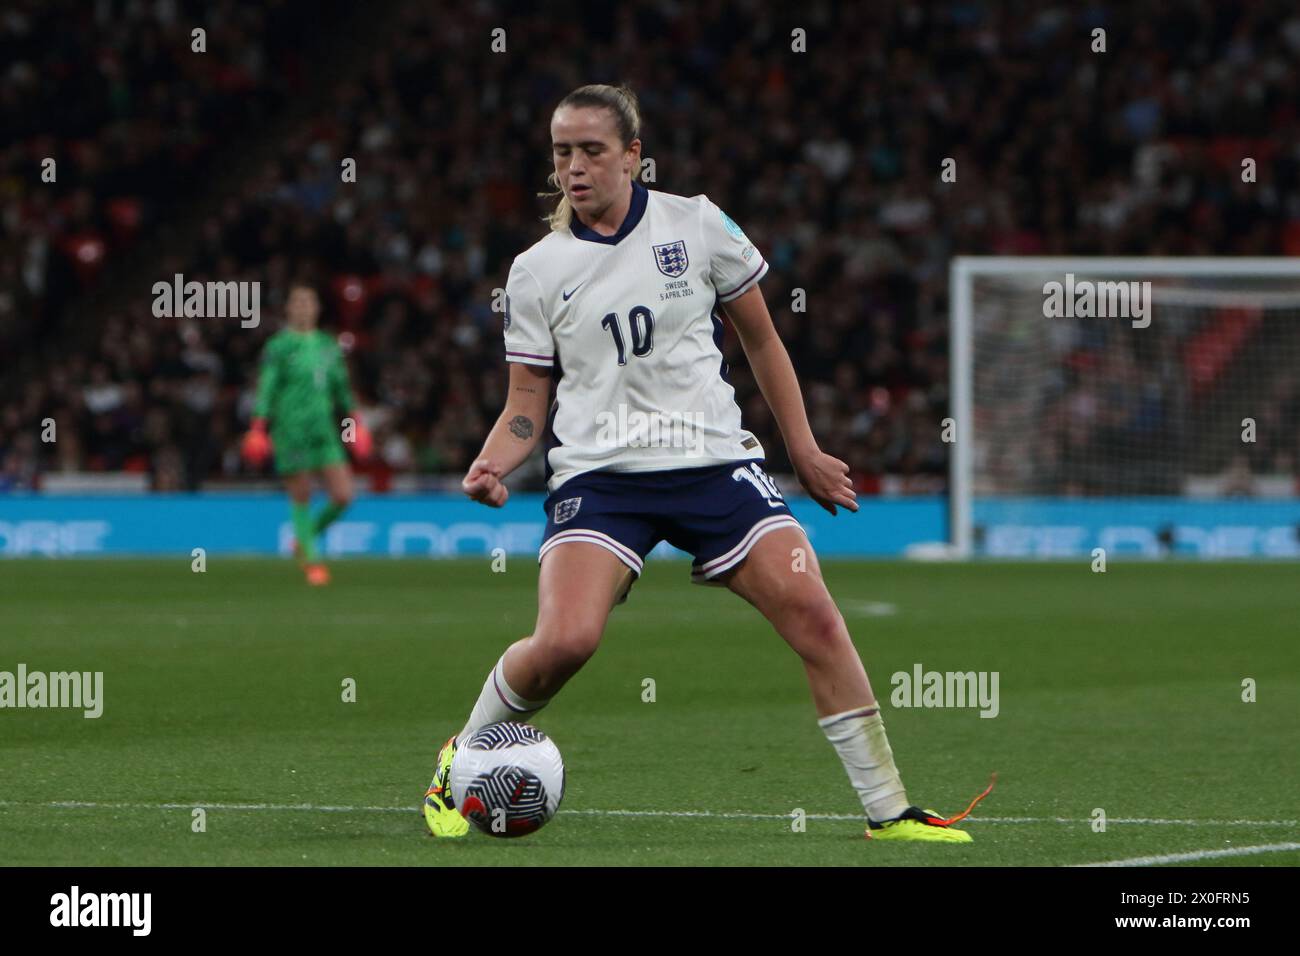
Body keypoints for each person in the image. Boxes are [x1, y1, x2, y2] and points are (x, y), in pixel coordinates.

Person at [424, 84, 987, 841]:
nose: (575, 167)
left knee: (816, 615)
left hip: (713, 464)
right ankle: (459, 763)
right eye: (562, 152)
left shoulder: (696, 223)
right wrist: (493, 462)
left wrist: (805, 448)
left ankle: (890, 811)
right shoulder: (536, 269)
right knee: (565, 643)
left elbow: (761, 338)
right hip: (599, 476)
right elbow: (528, 401)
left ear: (632, 154)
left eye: (592, 150)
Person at [241, 281, 372, 585]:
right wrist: (258, 426)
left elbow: (342, 391)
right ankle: (312, 561)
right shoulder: (278, 346)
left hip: (323, 430)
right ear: (288, 309)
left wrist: (356, 424)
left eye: (307, 302)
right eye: (297, 303)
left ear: (316, 308)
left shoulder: (328, 346)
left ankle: (305, 537)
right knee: (301, 494)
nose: (302, 308)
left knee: (343, 494)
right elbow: (267, 387)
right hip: (290, 430)